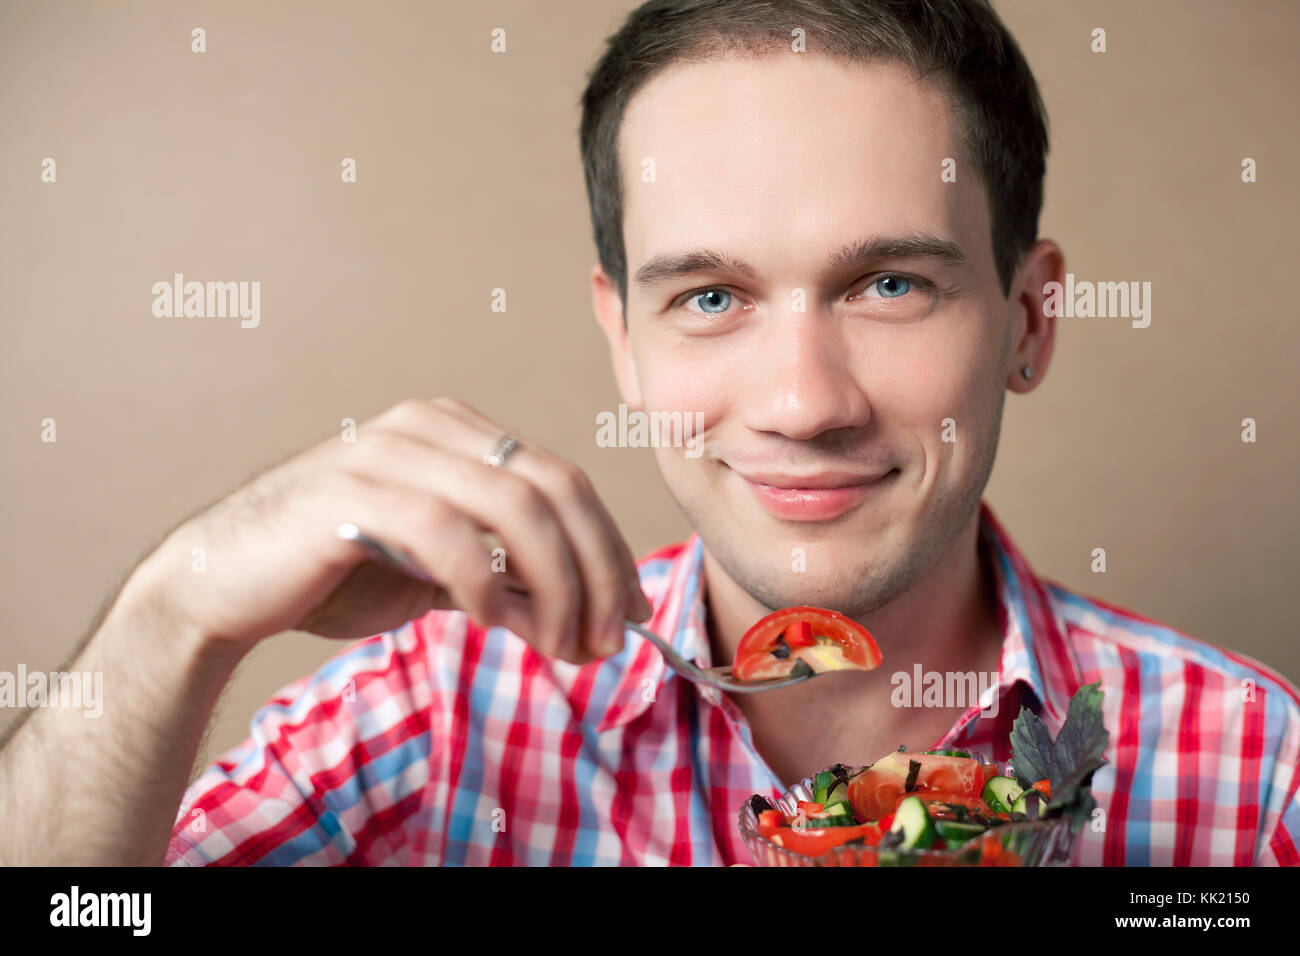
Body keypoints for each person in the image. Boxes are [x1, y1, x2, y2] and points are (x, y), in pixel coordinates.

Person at [2, 0, 1296, 867]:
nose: (803, 402)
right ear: (623, 338)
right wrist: (173, 618)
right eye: (712, 297)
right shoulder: (432, 724)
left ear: (1029, 320)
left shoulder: (1255, 775)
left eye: (890, 284)